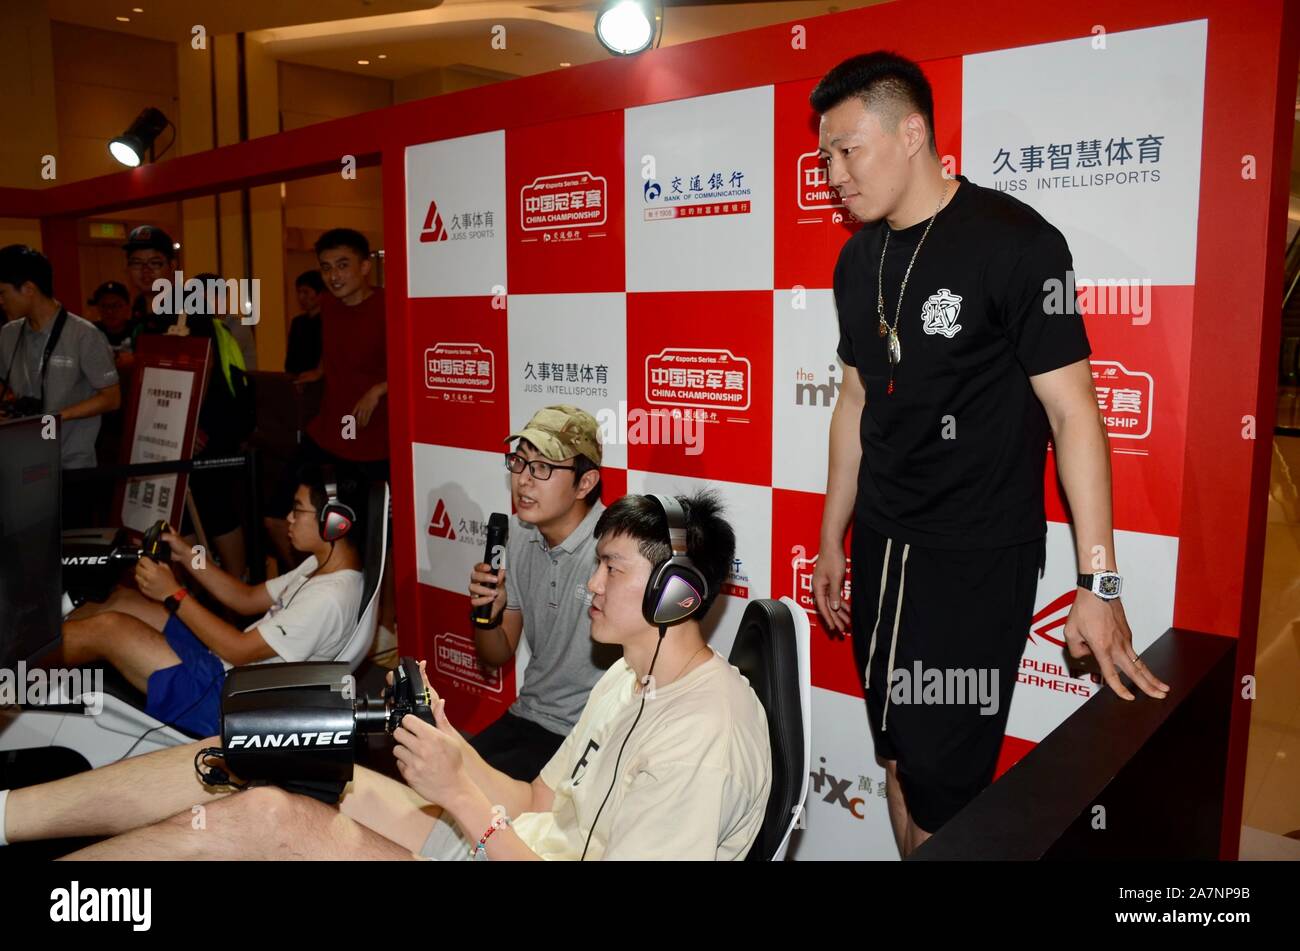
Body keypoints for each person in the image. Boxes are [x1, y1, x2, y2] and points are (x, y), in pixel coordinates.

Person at [807, 51, 1171, 857]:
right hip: (883, 547)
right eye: (824, 155)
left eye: (847, 148)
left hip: (974, 560)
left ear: (912, 133)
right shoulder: (856, 259)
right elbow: (855, 400)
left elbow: (1076, 414)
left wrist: (1098, 580)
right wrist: (834, 534)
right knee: (898, 759)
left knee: (946, 795)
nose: (833, 172)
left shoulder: (1018, 245)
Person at [0, 491, 773, 861]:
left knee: (273, 818)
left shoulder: (704, 733)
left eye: (610, 568)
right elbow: (542, 799)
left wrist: (464, 796)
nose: (589, 586)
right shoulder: (630, 675)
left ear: (681, 593)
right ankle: (7, 814)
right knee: (252, 754)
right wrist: (450, 748)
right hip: (511, 844)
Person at [55, 464, 365, 737]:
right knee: (121, 600)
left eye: (297, 510)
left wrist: (174, 594)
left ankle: (13, 669)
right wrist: (187, 555)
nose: (288, 518)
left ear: (334, 522)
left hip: (222, 699)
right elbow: (245, 598)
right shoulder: (321, 563)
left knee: (109, 629)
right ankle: (39, 648)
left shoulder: (329, 599)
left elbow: (239, 650)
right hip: (223, 666)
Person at [466, 405, 616, 780]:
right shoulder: (518, 535)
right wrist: (486, 614)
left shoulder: (613, 547)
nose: (524, 480)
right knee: (438, 786)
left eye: (543, 467)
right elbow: (498, 654)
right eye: (519, 462)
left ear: (585, 483)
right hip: (528, 716)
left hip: (590, 735)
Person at [266, 228, 393, 638]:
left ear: (365, 266)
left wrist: (379, 389)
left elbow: (418, 357)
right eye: (326, 267)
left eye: (342, 265)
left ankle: (372, 626)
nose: (334, 276)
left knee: (369, 542)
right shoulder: (328, 306)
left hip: (374, 445)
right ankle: (306, 596)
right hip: (328, 435)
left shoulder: (389, 304)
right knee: (277, 512)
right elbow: (335, 356)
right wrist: (316, 374)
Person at [0, 245, 121, 485]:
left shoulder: (84, 335)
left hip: (71, 466)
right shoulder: (8, 334)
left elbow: (112, 398)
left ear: (28, 289)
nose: (0, 301)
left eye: (3, 293)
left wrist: (55, 417)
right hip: (22, 462)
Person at [285, 269, 325, 376]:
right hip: (297, 378)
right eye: (299, 292)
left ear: (320, 294)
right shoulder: (297, 322)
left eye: (306, 292)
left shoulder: (329, 322)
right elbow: (291, 357)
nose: (301, 297)